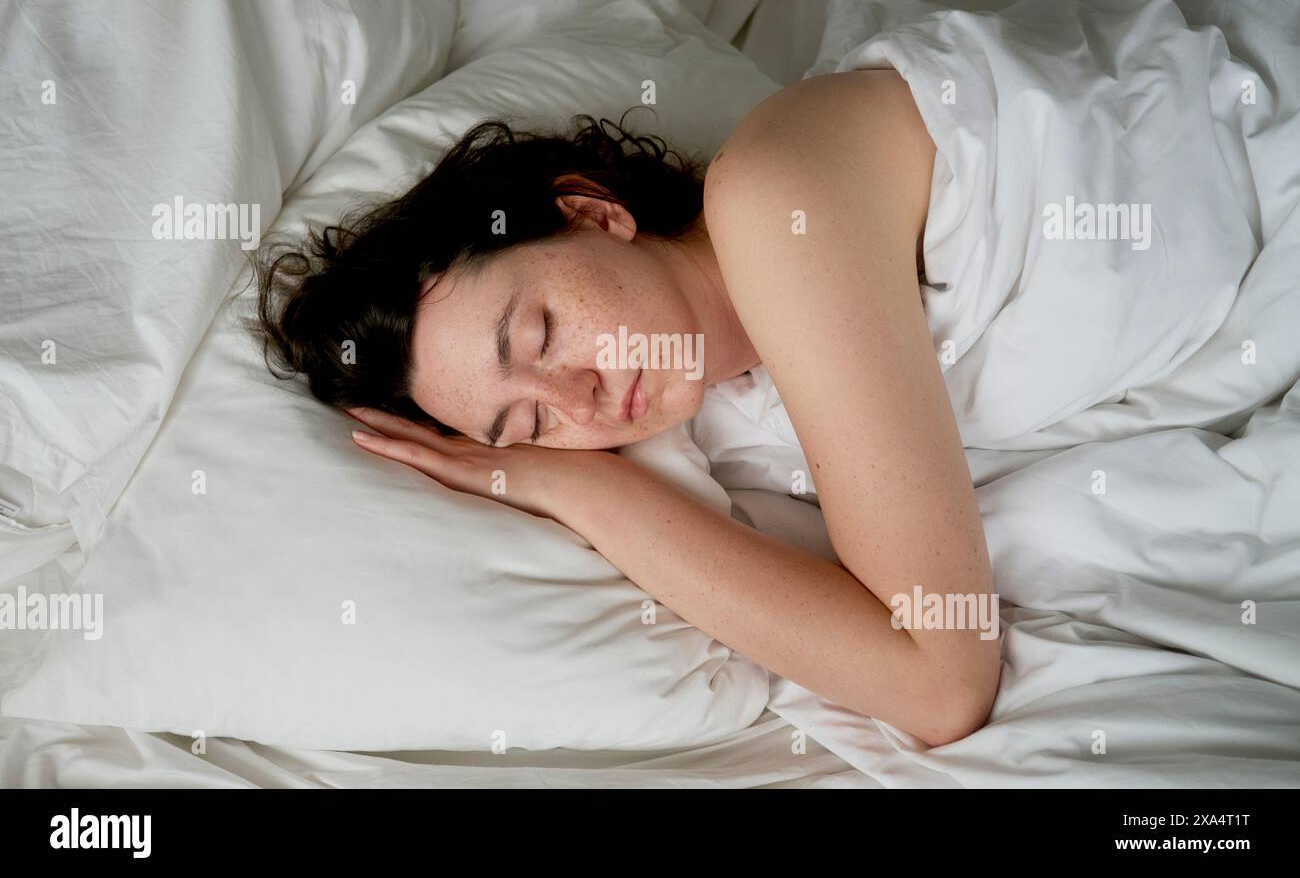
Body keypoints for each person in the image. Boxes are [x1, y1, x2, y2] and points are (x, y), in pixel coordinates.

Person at [256, 67, 1000, 747]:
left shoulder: (773, 203)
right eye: (529, 426)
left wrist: (582, 487)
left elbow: (942, 685)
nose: (578, 399)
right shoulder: (728, 422)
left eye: (541, 334)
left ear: (591, 212)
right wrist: (565, 481)